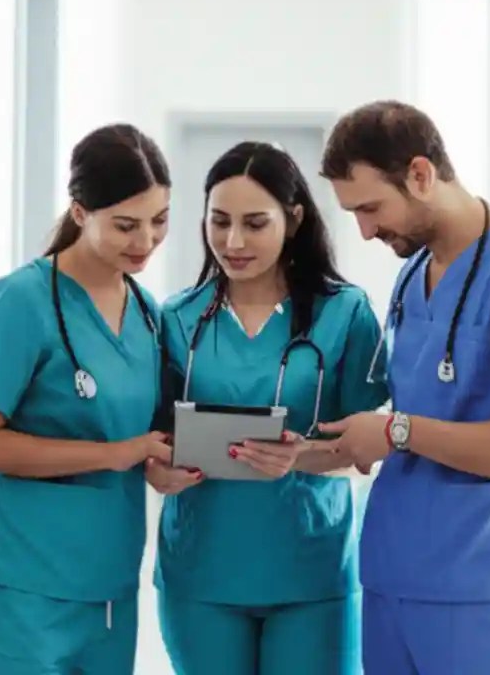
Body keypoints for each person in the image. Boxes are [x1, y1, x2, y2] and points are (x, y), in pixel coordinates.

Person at [311, 100, 490, 675]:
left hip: (479, 580)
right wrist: (309, 452)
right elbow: (406, 426)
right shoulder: (413, 274)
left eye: (370, 208)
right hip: (390, 576)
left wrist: (396, 430)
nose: (364, 231)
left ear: (419, 174)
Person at [149, 141, 389, 675]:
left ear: (294, 218)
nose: (233, 242)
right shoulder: (177, 319)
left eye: (255, 223)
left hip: (310, 569)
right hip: (202, 571)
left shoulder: (344, 313)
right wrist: (156, 470)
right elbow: (156, 437)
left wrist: (299, 457)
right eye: (219, 222)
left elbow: (365, 448)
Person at [0, 123, 174, 674]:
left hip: (106, 594)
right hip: (16, 585)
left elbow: (142, 442)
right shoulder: (23, 300)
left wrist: (158, 466)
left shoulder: (148, 316)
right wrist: (113, 453)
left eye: (158, 221)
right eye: (125, 225)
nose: (144, 242)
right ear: (79, 212)